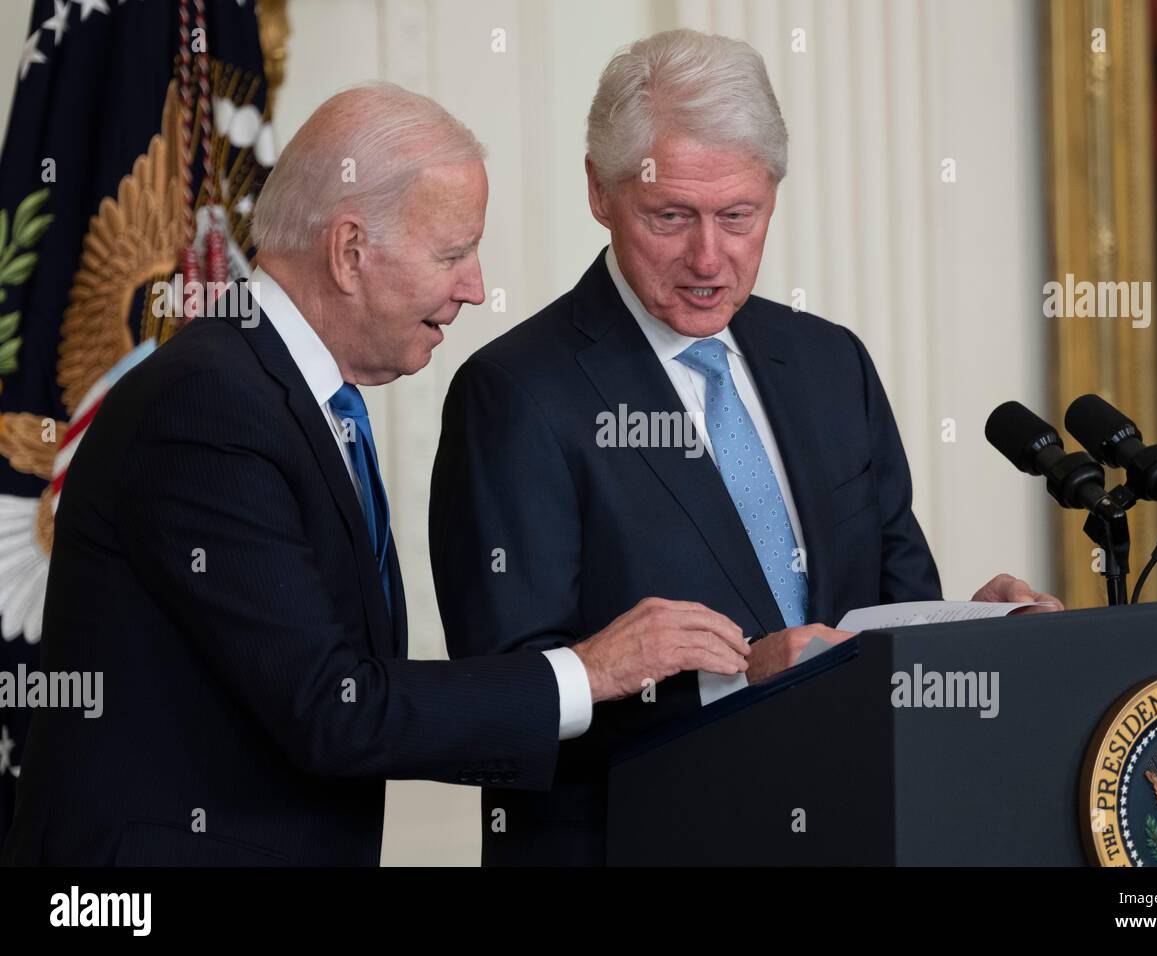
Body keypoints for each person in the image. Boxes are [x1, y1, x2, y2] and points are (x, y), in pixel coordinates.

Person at [0, 83, 749, 866]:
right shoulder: (206, 407)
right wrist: (591, 670)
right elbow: (333, 708)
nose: (472, 286)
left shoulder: (293, 399)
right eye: (454, 253)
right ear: (350, 251)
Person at [429, 30, 1061, 866]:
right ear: (599, 190)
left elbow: (890, 623)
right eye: (671, 217)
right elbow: (505, 701)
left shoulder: (832, 364)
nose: (709, 257)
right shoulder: (515, 393)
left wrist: (973, 637)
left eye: (739, 216)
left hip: (859, 834)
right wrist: (735, 678)